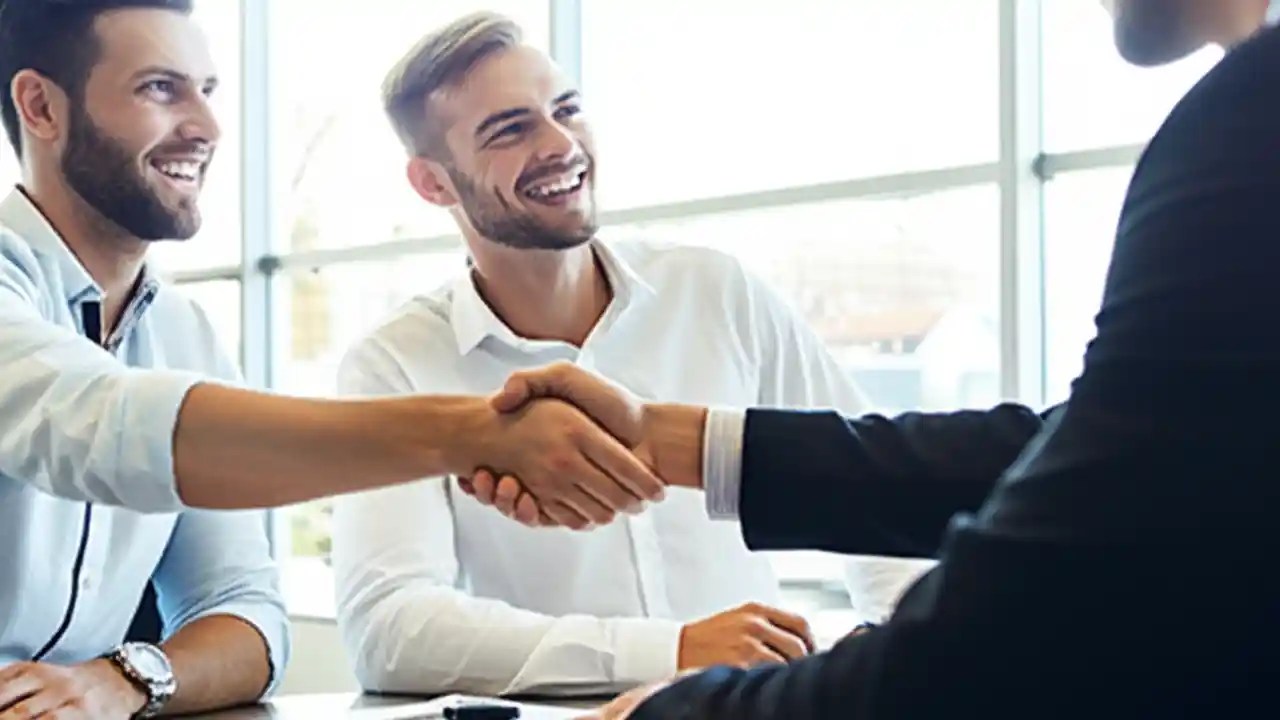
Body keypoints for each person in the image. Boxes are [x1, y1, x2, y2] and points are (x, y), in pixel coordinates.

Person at [468, 0, 1280, 716]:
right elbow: (1096, 449)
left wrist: (688, 712)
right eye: (508, 127)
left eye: (564, 109)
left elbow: (1044, 599)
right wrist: (666, 441)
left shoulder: (1248, 120)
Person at [0, 1, 657, 717]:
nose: (208, 127)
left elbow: (246, 617)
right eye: (160, 89)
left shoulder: (185, 335)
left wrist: (124, 679)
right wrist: (468, 434)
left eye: (208, 91)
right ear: (40, 106)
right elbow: (99, 423)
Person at [330, 12, 917, 698]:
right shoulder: (395, 364)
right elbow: (389, 629)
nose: (560, 144)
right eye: (510, 130)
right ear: (433, 183)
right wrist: (673, 650)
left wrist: (899, 645)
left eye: (566, 110)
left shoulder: (715, 291)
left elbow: (873, 497)